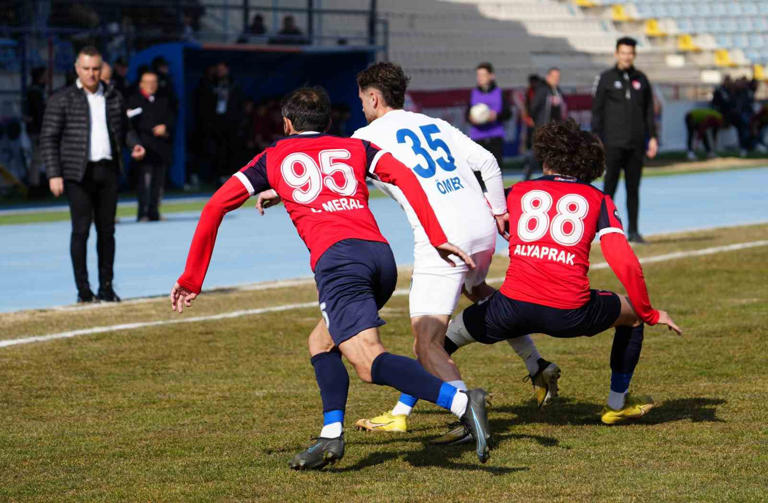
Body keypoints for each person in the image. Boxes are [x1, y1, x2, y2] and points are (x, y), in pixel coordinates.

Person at [170, 86, 492, 469]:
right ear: (330, 122)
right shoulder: (356, 148)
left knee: (369, 362)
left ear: (287, 123)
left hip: (340, 264)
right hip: (379, 258)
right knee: (321, 343)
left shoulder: (272, 158)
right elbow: (406, 177)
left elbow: (215, 206)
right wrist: (438, 237)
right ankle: (330, 437)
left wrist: (192, 278)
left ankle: (460, 401)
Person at [257, 63, 559, 443]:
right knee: (479, 293)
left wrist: (277, 189)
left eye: (362, 98)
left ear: (373, 97)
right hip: (482, 227)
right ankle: (536, 363)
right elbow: (488, 163)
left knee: (426, 342)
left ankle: (468, 415)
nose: (361, 105)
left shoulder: (366, 136)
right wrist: (499, 212)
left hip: (443, 237)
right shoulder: (433, 123)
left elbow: (328, 180)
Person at [442, 119, 681, 425]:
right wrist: (649, 312)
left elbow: (467, 214)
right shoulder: (598, 199)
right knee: (632, 314)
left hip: (510, 309)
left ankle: (403, 409)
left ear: (545, 155)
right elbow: (625, 262)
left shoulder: (517, 192)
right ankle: (616, 404)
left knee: (437, 342)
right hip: (569, 313)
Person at [40, 45, 145, 303]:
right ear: (77, 69)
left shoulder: (113, 95)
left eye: (96, 69)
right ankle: (83, 291)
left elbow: (125, 128)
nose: (91, 73)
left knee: (107, 231)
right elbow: (49, 138)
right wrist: (54, 174)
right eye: (86, 68)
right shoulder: (61, 99)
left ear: (102, 69)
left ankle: (107, 287)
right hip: (78, 173)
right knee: (81, 231)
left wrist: (134, 143)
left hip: (108, 170)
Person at [591, 37, 658, 244]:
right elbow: (597, 111)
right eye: (623, 52)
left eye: (630, 53)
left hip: (636, 144)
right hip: (612, 144)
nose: (627, 56)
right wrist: (597, 139)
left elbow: (649, 112)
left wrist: (653, 137)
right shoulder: (606, 78)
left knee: (633, 189)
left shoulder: (642, 79)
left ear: (634, 55)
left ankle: (634, 231)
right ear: (616, 53)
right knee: (608, 190)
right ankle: (605, 232)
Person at [127, 69, 175, 221]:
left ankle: (154, 211)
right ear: (141, 84)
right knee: (144, 182)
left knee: (159, 183)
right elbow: (130, 125)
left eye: (154, 82)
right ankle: (143, 212)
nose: (151, 85)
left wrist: (165, 129)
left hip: (161, 148)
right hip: (143, 148)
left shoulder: (164, 100)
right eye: (147, 82)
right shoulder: (133, 100)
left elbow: (172, 119)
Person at [524, 67, 567, 180]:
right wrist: (538, 124)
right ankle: (526, 179)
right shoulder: (543, 89)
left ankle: (552, 179)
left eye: (558, 77)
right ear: (548, 77)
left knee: (554, 156)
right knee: (536, 155)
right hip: (543, 130)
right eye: (553, 77)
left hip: (555, 131)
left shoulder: (558, 90)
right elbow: (533, 107)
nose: (556, 79)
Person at [467, 62, 511, 168]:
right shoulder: (473, 93)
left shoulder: (499, 93)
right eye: (478, 75)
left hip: (495, 137)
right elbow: (467, 115)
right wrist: (471, 118)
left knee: (495, 169)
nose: (480, 78)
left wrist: (496, 116)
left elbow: (508, 113)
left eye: (483, 75)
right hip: (478, 138)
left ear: (491, 76)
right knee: (477, 171)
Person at [24, 66, 47, 189]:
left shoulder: (34, 91)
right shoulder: (35, 92)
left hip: (35, 129)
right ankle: (35, 185)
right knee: (36, 159)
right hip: (36, 130)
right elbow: (38, 114)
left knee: (37, 159)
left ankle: (36, 182)